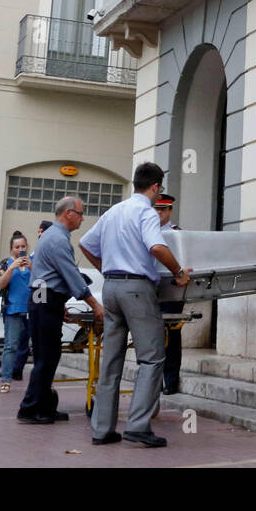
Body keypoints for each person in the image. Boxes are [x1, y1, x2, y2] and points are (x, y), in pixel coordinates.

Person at [78, 163, 192, 448]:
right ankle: (138, 426)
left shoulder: (115, 211)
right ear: (155, 187)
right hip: (137, 290)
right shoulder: (146, 212)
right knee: (152, 358)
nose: (160, 194)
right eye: (160, 189)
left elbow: (85, 244)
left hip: (112, 288)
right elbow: (156, 247)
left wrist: (107, 269)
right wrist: (179, 273)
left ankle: (102, 428)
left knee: (112, 360)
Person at [17, 196, 103, 424]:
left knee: (49, 356)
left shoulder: (53, 237)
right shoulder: (57, 239)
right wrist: (94, 305)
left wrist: (55, 304)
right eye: (81, 214)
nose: (83, 219)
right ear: (68, 213)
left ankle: (44, 406)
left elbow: (42, 278)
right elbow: (71, 275)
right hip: (43, 302)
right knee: (46, 358)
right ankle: (29, 409)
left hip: (43, 300)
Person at [155, 193, 184, 394]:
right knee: (153, 336)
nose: (159, 213)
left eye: (163, 210)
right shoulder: (147, 230)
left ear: (170, 211)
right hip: (151, 288)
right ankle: (154, 379)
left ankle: (171, 379)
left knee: (171, 334)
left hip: (172, 289)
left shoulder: (177, 234)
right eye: (155, 209)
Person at [0, 231, 32, 393]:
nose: (20, 249)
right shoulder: (6, 264)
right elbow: (1, 284)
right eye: (17, 247)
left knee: (36, 346)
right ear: (11, 249)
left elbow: (42, 283)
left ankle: (40, 382)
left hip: (33, 310)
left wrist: (32, 267)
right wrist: (11, 268)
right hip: (13, 310)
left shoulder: (35, 263)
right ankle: (6, 379)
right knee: (11, 346)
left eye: (23, 246)